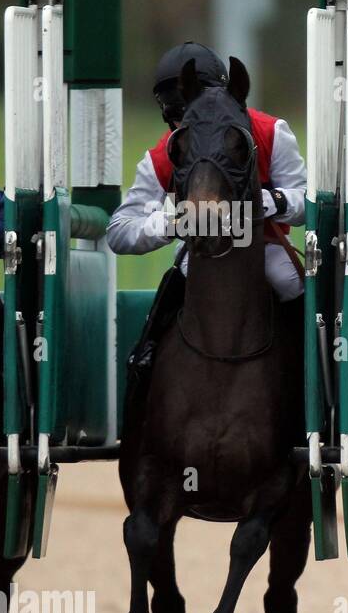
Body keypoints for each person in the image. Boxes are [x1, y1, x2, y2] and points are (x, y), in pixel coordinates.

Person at [106, 41, 306, 424]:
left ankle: (312, 380)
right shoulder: (164, 153)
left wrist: (273, 201)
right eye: (181, 114)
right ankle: (145, 363)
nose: (190, 124)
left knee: (289, 281)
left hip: (263, 247)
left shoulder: (271, 131)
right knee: (175, 284)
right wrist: (169, 223)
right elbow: (119, 231)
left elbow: (306, 198)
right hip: (200, 253)